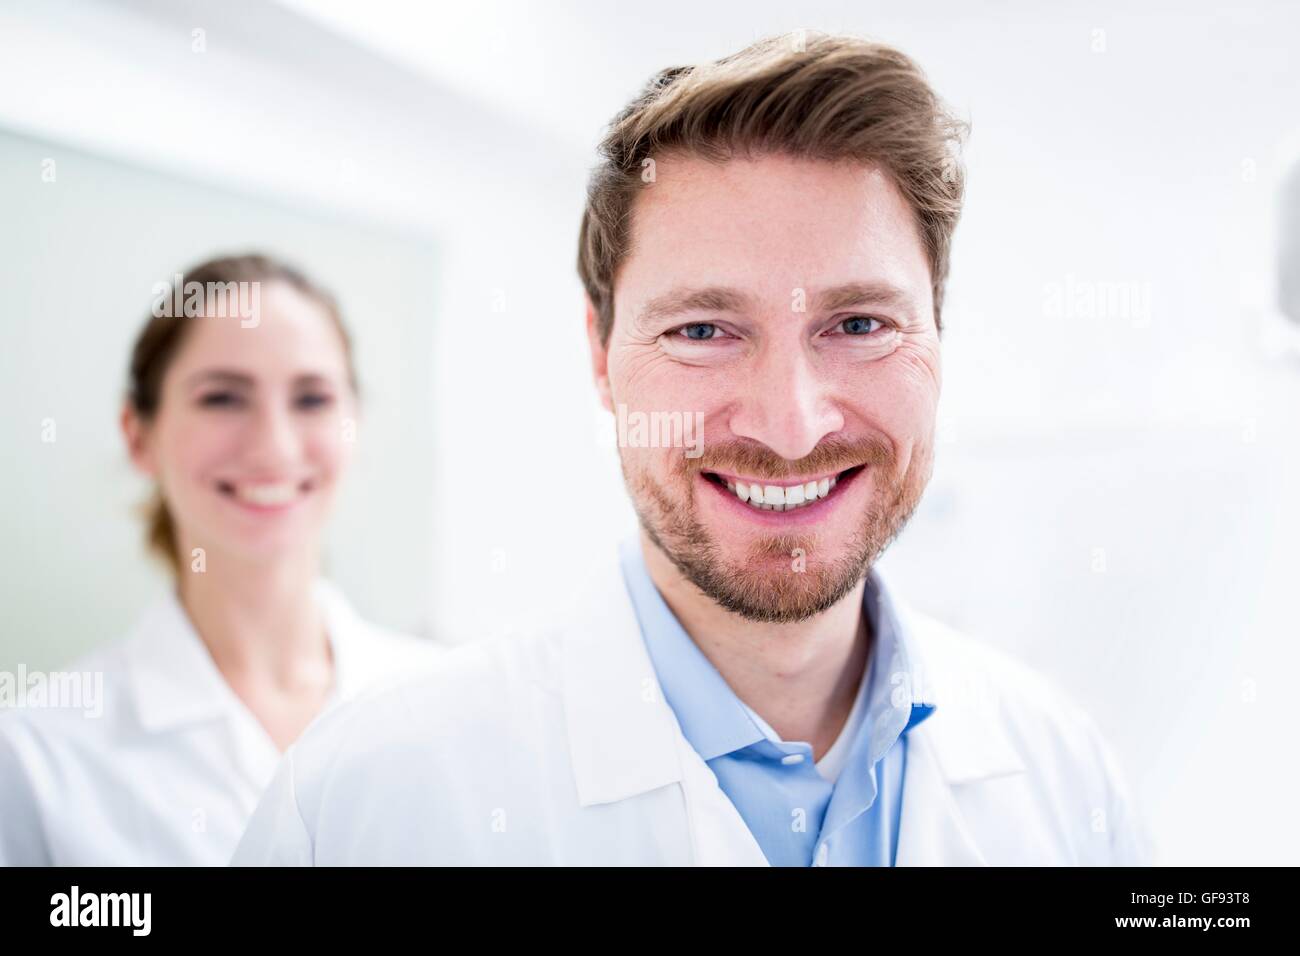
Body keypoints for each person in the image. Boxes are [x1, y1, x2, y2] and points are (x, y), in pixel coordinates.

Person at [232, 34, 1149, 866]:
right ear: (601, 357)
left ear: (939, 338)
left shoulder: (1068, 785)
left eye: (860, 323)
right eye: (705, 330)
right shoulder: (363, 807)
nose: (791, 427)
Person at [0, 254, 441, 865]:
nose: (274, 446)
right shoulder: (35, 756)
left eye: (312, 399)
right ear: (138, 434)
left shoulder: (446, 704)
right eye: (223, 398)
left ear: (353, 426)